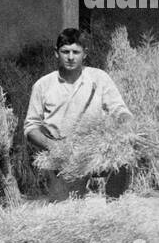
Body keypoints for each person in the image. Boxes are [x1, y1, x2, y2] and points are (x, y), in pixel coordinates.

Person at [24, 27, 133, 202]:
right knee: (66, 211)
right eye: (65, 52)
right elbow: (31, 128)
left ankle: (115, 211)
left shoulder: (99, 78)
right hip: (61, 155)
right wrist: (53, 146)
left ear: (85, 54)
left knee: (121, 163)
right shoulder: (43, 85)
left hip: (96, 149)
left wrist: (124, 125)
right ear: (56, 53)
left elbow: (120, 109)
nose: (70, 57)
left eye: (76, 52)